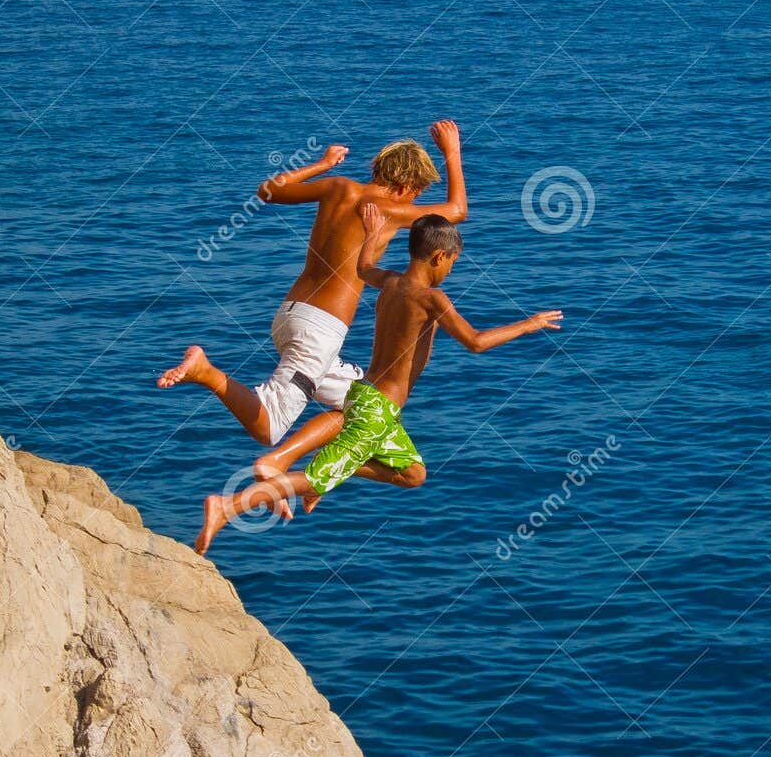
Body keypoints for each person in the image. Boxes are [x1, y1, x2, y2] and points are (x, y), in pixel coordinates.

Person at [194, 206, 562, 551]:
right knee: (312, 479)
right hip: (377, 410)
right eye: (452, 262)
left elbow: (364, 265)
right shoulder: (433, 299)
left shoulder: (390, 283)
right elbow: (476, 342)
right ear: (439, 257)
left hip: (365, 396)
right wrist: (528, 325)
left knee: (414, 474)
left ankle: (337, 467)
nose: (451, 270)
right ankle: (228, 505)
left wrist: (371, 233)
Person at [158, 123, 467, 446]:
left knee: (372, 404)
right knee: (269, 427)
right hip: (318, 332)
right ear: (405, 186)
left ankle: (307, 479)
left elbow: (268, 190)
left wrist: (322, 164)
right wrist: (452, 151)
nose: (415, 202)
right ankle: (206, 372)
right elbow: (457, 211)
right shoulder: (390, 210)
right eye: (418, 193)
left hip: (290, 315)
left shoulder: (338, 187)